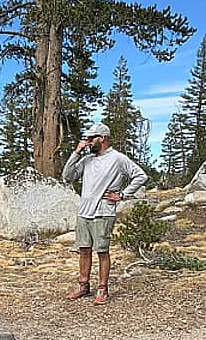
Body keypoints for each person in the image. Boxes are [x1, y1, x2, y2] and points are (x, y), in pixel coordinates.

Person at [61, 122, 149, 306]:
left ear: (102, 138)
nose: (87, 141)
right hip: (84, 211)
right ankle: (83, 286)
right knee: (84, 250)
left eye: (91, 138)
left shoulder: (117, 158)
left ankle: (102, 289)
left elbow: (140, 176)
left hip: (103, 212)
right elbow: (67, 177)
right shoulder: (87, 160)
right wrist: (76, 152)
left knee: (102, 251)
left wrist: (122, 195)